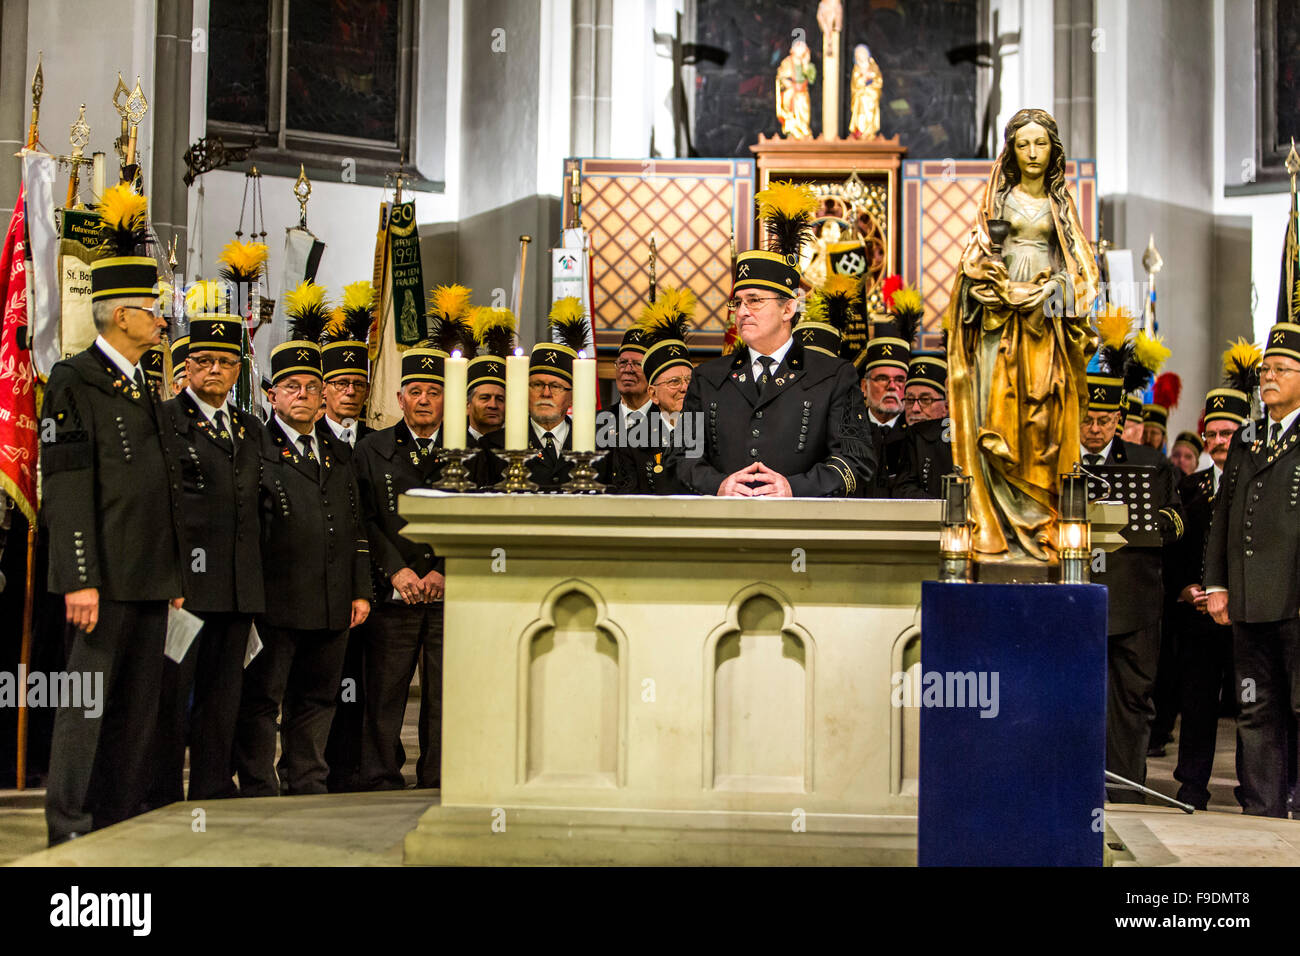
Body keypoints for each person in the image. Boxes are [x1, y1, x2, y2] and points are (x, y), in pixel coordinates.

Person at [40, 184, 186, 845]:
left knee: (136, 711)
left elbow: (160, 490)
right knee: (85, 707)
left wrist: (174, 572)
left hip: (150, 579)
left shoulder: (144, 387)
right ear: (121, 315)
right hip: (101, 581)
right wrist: (78, 576)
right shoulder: (74, 380)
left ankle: (119, 818)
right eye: (152, 310)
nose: (161, 319)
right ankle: (70, 822)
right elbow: (67, 485)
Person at [944, 108, 1098, 565]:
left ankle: (1041, 528)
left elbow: (1083, 277)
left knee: (1042, 424)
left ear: (1054, 151)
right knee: (997, 416)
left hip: (1044, 329)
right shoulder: (996, 203)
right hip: (998, 328)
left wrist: (1052, 290)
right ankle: (998, 528)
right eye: (1023, 144)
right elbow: (969, 274)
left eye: (1041, 144)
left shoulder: (1061, 208)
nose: (1032, 153)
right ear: (1011, 150)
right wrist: (989, 284)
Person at [234, 333, 372, 797]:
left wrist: (359, 590)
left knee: (318, 698)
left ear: (322, 396)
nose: (303, 395)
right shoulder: (257, 448)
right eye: (291, 386)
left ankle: (307, 778)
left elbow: (355, 525)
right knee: (263, 699)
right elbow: (246, 529)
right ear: (271, 395)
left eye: (312, 387)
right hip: (277, 600)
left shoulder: (337, 451)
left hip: (332, 599)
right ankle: (257, 781)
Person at [673, 181, 874, 497]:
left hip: (803, 529)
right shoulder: (706, 378)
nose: (742, 312)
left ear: (788, 308)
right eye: (737, 302)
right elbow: (681, 456)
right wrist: (719, 485)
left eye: (754, 300)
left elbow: (855, 460)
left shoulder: (834, 376)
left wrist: (793, 488)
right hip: (723, 528)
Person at [154, 305, 265, 802]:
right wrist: (170, 578)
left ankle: (211, 786)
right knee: (173, 696)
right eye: (203, 360)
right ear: (187, 368)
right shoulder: (165, 421)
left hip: (238, 587)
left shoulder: (248, 428)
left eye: (224, 360)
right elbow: (158, 506)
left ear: (238, 370)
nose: (214, 369)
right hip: (188, 589)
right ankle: (158, 792)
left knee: (224, 698)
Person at [1205, 321, 1300, 817]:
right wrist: (1217, 583)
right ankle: (1262, 808)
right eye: (1266, 370)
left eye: (1282, 369)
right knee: (1254, 706)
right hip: (1249, 599)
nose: (1269, 378)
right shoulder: (1247, 438)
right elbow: (1224, 512)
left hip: (1295, 598)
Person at [1081, 373, 1184, 802]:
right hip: (1077, 595)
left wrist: (1149, 524)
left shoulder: (1150, 462)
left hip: (1134, 600)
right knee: (1074, 696)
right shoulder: (1056, 459)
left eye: (1105, 420)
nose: (1095, 428)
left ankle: (1125, 791)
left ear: (1119, 420)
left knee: (1131, 700)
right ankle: (1074, 787)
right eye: (1087, 419)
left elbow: (1176, 521)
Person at [354, 348, 448, 790]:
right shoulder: (372, 449)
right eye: (416, 392)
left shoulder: (464, 449)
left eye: (434, 391)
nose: (425, 399)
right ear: (400, 397)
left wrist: (444, 569)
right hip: (394, 595)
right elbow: (365, 517)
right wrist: (395, 570)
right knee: (384, 694)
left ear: (447, 399)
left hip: (445, 594)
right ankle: (379, 776)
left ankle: (437, 777)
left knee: (443, 697)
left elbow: (480, 514)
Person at [1167, 383, 1249, 808]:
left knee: (1250, 704)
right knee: (1197, 702)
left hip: (1246, 614)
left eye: (1227, 433)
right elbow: (1175, 549)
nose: (1218, 442)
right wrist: (1184, 586)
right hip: (1196, 617)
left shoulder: (1256, 482)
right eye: (1211, 434)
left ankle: (1254, 788)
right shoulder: (1190, 487)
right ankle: (1191, 785)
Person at [317, 282, 375, 453]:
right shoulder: (308, 438)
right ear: (324, 389)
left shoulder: (380, 444)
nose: (350, 391)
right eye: (341, 383)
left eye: (358, 384)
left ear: (367, 391)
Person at [891, 352, 952, 499]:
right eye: (910, 400)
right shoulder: (894, 441)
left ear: (947, 406)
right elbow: (902, 490)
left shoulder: (958, 440)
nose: (916, 408)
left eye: (925, 400)